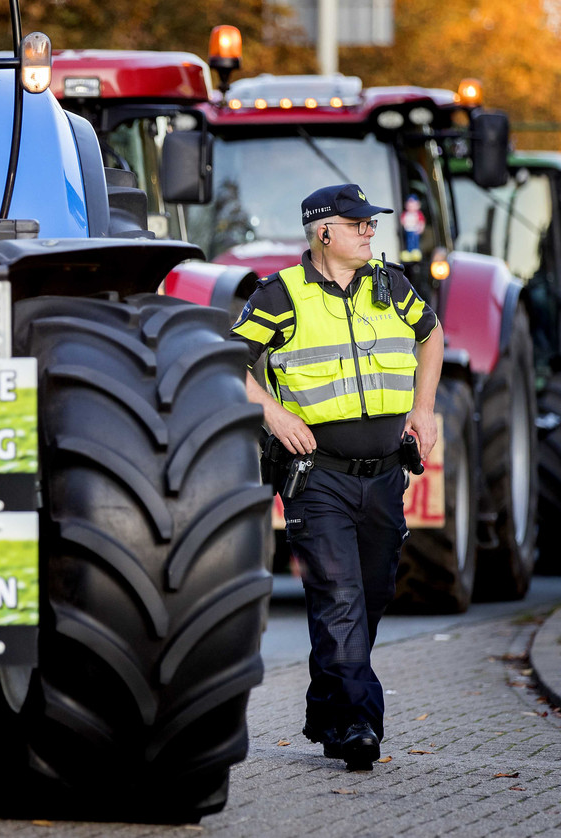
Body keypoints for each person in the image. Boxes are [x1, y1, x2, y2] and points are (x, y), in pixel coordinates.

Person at [230, 183, 443, 770]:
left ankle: (327, 706)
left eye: (371, 225)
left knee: (370, 598)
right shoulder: (281, 296)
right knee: (339, 599)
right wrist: (273, 414)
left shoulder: (390, 284)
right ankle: (356, 726)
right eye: (358, 225)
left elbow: (432, 336)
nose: (370, 232)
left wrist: (423, 409)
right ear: (324, 232)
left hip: (383, 477)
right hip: (316, 479)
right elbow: (231, 360)